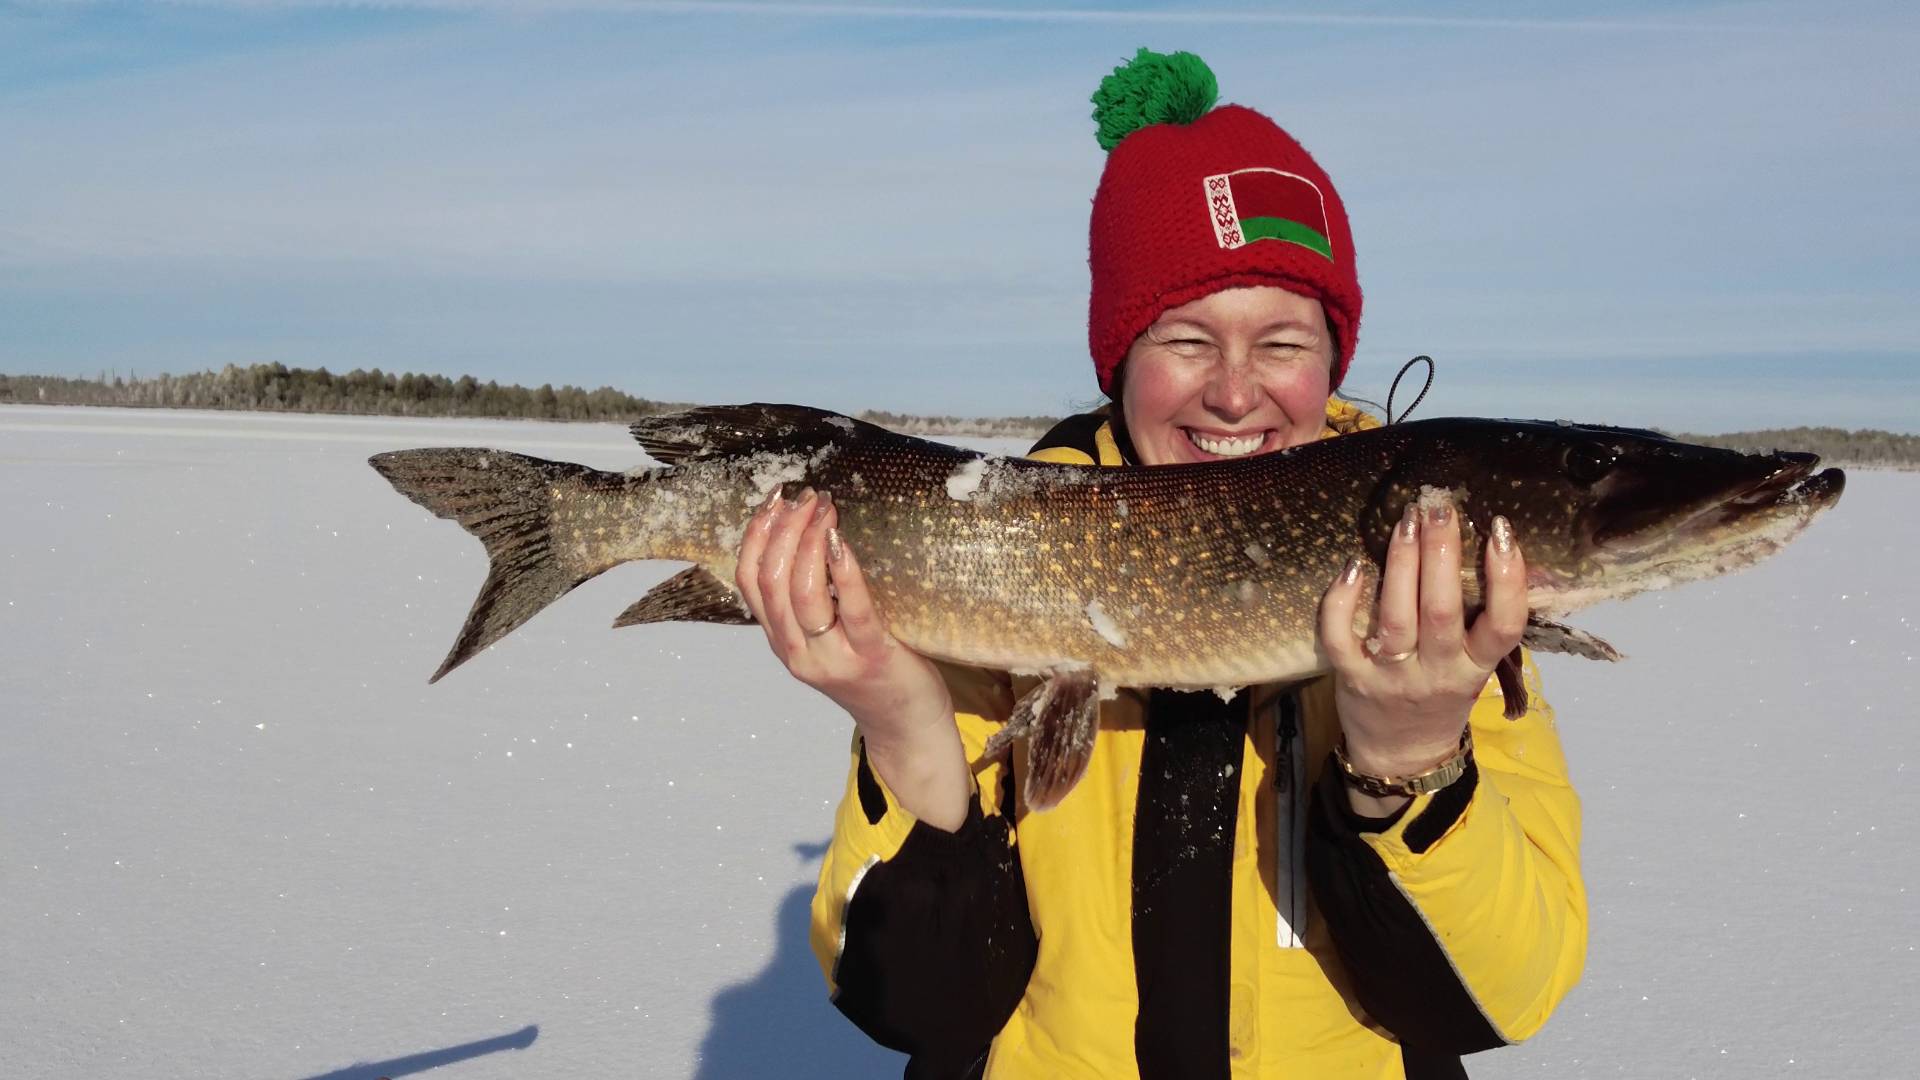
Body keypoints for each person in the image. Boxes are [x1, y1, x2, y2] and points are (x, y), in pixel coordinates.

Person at [732, 48, 1585, 1079]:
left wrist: (1410, 759)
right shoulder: (997, 562)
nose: (1235, 395)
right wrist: (903, 722)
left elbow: (1499, 995)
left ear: (1334, 357)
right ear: (1120, 355)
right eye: (1186, 339)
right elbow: (915, 1004)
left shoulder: (1438, 602)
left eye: (1281, 344)